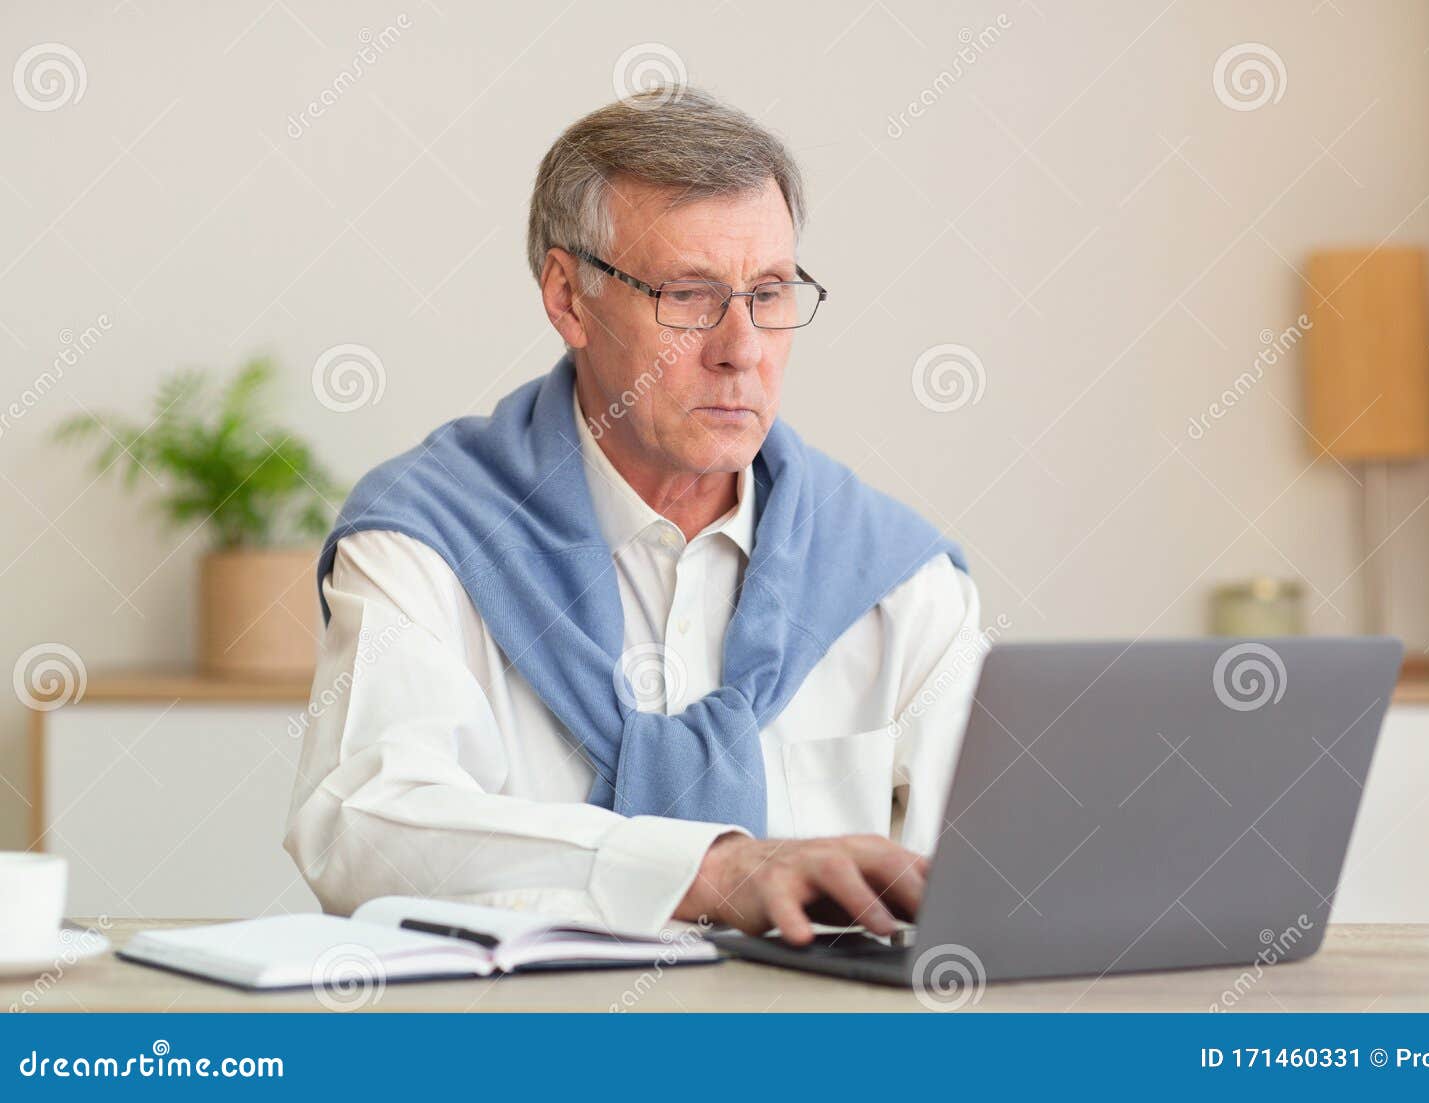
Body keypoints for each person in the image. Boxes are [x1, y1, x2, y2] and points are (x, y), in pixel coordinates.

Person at [285, 87, 982, 946]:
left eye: (769, 292)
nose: (742, 347)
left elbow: (993, 895)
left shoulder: (900, 581)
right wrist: (709, 870)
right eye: (689, 295)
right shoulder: (425, 540)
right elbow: (366, 825)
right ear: (569, 298)